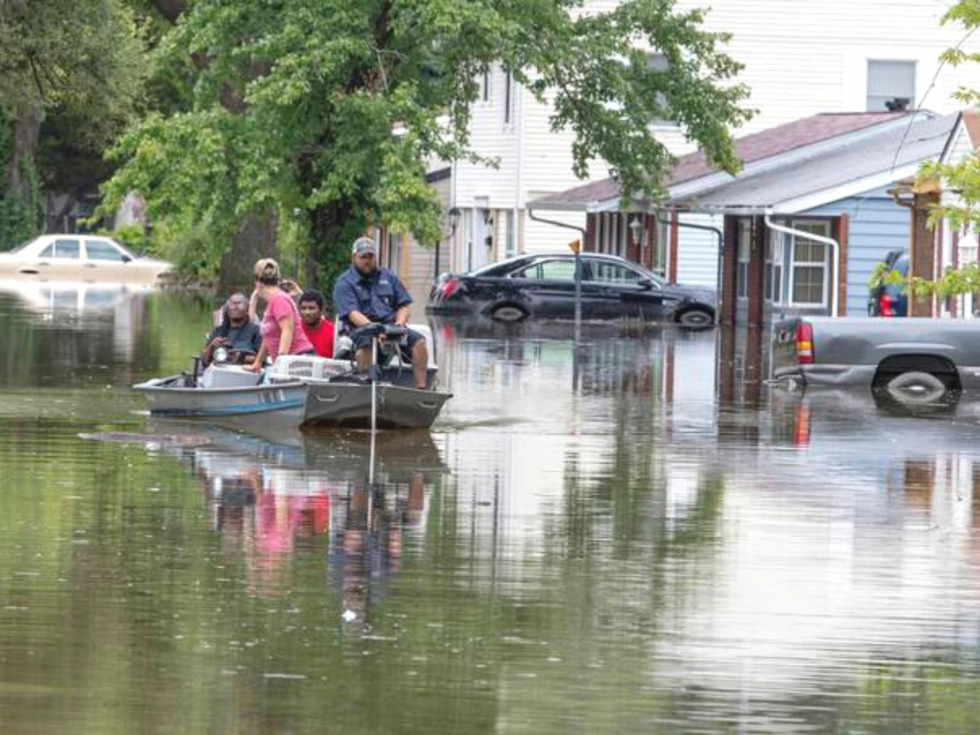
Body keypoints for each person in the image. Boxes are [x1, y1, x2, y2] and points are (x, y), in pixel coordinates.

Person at [332, 236, 429, 389]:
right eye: (363, 257)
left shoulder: (388, 276)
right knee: (367, 343)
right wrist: (376, 329)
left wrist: (399, 325)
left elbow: (404, 306)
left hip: (391, 326)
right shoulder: (344, 282)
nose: (367, 261)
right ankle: (365, 386)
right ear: (353, 258)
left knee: (419, 342)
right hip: (360, 328)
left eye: (371, 256)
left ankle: (421, 390)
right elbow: (353, 314)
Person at [246, 258, 315, 372]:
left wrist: (280, 363)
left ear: (258, 281)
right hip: (288, 361)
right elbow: (268, 336)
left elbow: (287, 331)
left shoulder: (279, 299)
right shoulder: (272, 302)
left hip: (299, 361)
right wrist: (257, 363)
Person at [202, 292, 262, 365]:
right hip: (218, 371)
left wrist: (241, 358)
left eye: (239, 303)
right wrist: (211, 346)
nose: (235, 306)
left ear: (247, 310)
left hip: (244, 372)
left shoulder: (256, 331)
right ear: (227, 310)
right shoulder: (218, 331)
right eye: (233, 303)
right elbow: (204, 362)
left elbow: (262, 358)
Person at [298, 289, 336, 358]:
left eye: (311, 308)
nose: (307, 312)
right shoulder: (294, 330)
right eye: (303, 308)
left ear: (321, 310)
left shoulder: (333, 332)